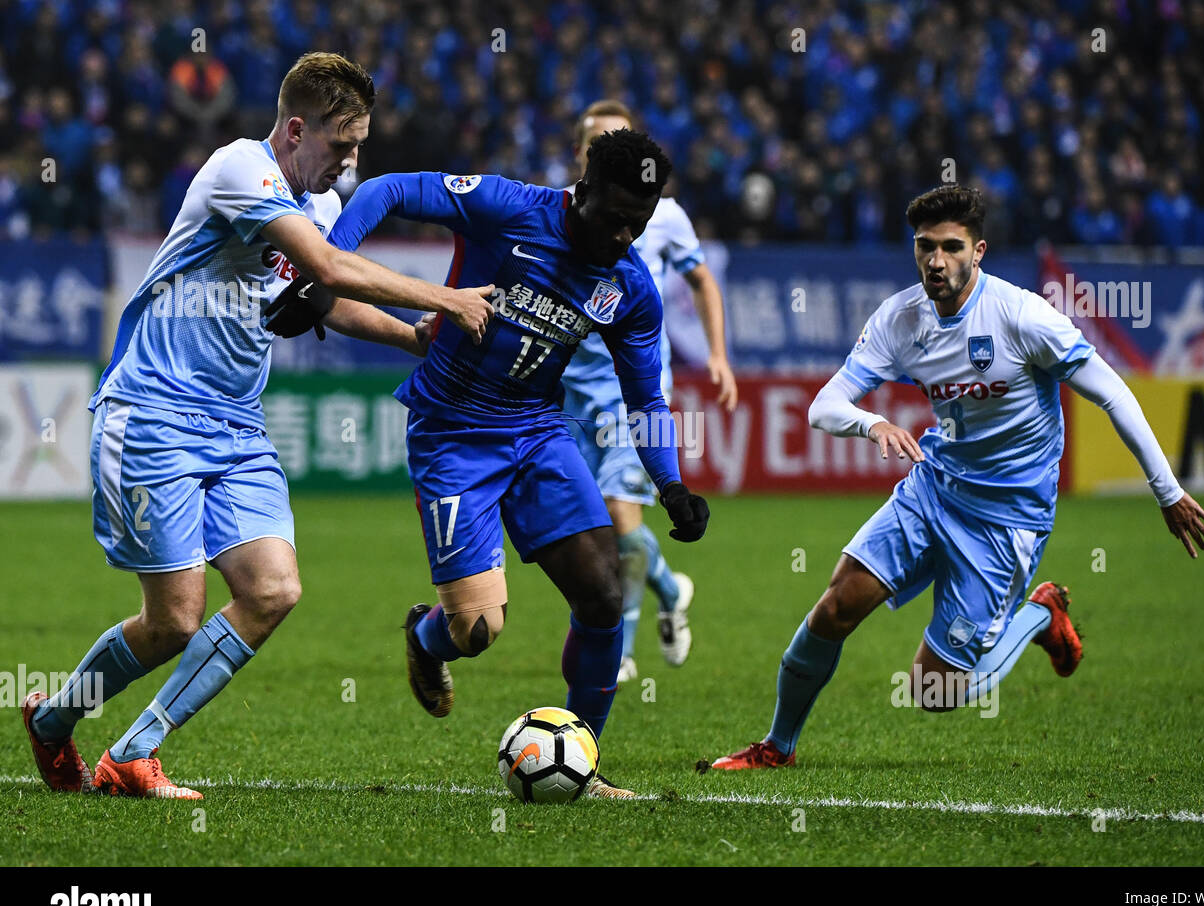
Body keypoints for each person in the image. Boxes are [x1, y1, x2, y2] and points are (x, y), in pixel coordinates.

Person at [22, 52, 495, 799]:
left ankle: (132, 754)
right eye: (342, 146)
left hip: (237, 427)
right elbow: (330, 269)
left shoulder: (324, 207)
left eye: (360, 148)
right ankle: (53, 722)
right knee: (174, 622)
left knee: (273, 591)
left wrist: (412, 335)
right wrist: (450, 298)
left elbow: (326, 298)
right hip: (153, 414)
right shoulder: (237, 168)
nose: (350, 164)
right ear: (297, 128)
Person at [713, 184, 1204, 770]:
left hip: (1007, 520)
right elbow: (824, 406)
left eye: (951, 247)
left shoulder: (1022, 316)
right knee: (834, 606)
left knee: (933, 692)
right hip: (935, 487)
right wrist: (872, 424)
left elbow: (1113, 394)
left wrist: (1168, 491)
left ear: (978, 251)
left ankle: (1039, 616)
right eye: (925, 247)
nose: (936, 261)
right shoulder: (902, 319)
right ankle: (778, 747)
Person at [328, 129, 711, 799]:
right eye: (614, 215)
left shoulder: (629, 285)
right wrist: (331, 258)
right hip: (451, 433)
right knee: (477, 631)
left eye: (638, 223)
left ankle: (583, 762)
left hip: (536, 432)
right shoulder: (509, 208)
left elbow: (646, 395)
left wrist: (671, 482)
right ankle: (427, 637)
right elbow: (388, 188)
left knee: (603, 594)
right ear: (581, 190)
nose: (624, 235)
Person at [562, 100, 737, 684]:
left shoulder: (663, 215)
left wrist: (717, 353)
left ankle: (622, 649)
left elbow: (702, 279)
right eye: (597, 141)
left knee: (619, 512)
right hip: (566, 391)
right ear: (583, 154)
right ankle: (669, 586)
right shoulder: (568, 209)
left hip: (631, 388)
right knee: (597, 524)